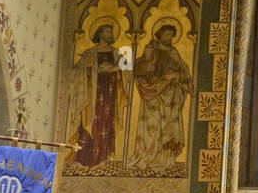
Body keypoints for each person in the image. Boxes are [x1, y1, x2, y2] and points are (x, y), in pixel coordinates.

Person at [131, 23, 193, 172]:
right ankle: (148, 156)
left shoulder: (173, 52)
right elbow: (138, 68)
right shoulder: (150, 49)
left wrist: (177, 75)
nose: (170, 38)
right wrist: (149, 66)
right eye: (167, 34)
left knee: (170, 128)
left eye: (172, 35)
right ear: (160, 34)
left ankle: (165, 161)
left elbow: (184, 68)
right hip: (153, 92)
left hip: (171, 95)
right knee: (152, 126)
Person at [68, 22, 128, 167]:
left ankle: (101, 158)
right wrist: (90, 67)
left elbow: (127, 69)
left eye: (111, 32)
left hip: (109, 93)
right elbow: (75, 72)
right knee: (89, 122)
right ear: (100, 34)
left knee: (106, 123)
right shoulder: (90, 52)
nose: (110, 35)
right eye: (107, 32)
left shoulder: (116, 53)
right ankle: (82, 158)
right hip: (93, 94)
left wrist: (113, 68)